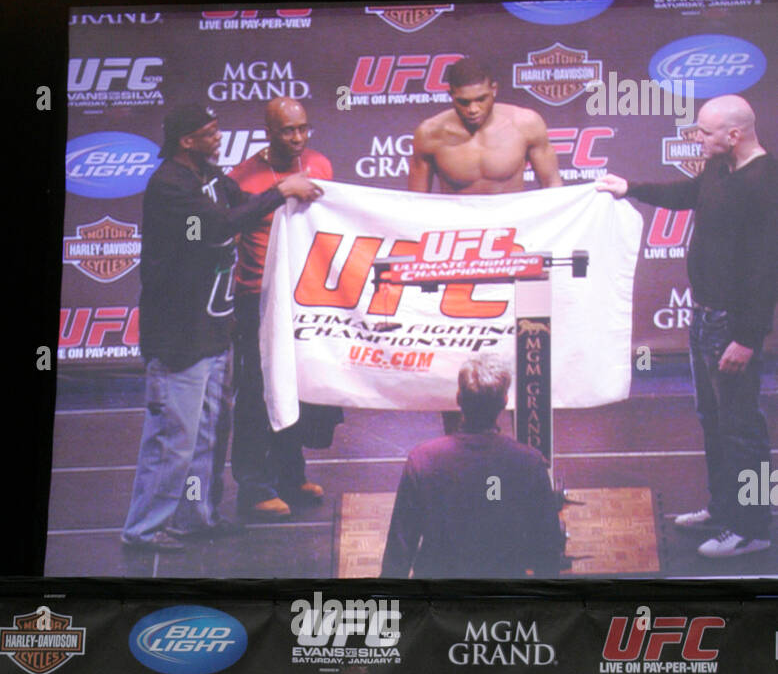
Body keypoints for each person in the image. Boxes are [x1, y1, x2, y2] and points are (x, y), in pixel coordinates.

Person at [121, 102, 323, 551]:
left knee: (210, 434)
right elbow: (219, 224)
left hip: (213, 330)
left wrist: (285, 193)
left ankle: (197, 516)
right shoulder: (170, 186)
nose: (218, 138)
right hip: (178, 336)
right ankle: (143, 529)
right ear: (186, 141)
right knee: (174, 438)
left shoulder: (210, 178)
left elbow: (244, 203)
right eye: (210, 133)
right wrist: (283, 188)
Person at [597, 94, 778, 558]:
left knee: (743, 429)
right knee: (713, 420)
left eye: (705, 132)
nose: (697, 138)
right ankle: (724, 510)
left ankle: (753, 526)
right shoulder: (720, 170)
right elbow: (685, 195)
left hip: (732, 326)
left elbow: (767, 267)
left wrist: (747, 337)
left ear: (734, 135)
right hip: (703, 318)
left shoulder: (764, 183)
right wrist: (630, 186)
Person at [229, 97, 337, 519]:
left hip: (303, 295)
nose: (297, 137)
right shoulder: (242, 177)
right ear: (268, 131)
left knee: (294, 388)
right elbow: (229, 236)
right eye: (287, 130)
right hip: (257, 296)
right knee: (257, 394)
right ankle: (254, 488)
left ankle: (291, 476)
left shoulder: (321, 165)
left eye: (303, 128)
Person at [381, 355, 563, 577]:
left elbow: (399, 547)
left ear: (459, 398)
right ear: (505, 401)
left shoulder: (423, 459)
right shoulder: (529, 462)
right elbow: (547, 550)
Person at [408, 56, 562, 194]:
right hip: (457, 223)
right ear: (451, 96)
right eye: (464, 102)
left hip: (512, 221)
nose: (473, 109)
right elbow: (416, 202)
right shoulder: (429, 134)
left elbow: (552, 185)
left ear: (494, 90)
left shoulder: (526, 124)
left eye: (481, 99)